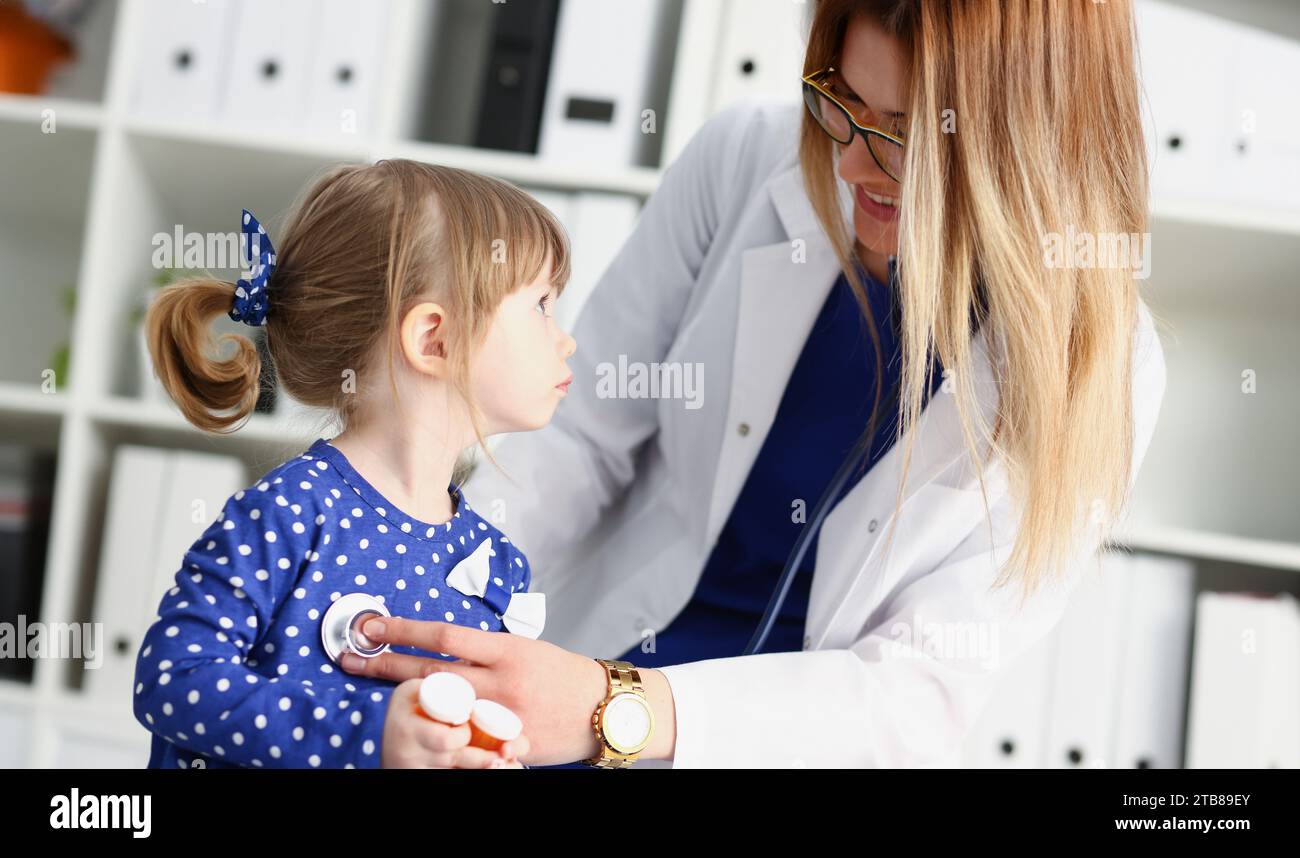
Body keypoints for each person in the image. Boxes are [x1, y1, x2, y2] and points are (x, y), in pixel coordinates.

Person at [338, 0, 1167, 768]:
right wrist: (423, 600)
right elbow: (580, 439)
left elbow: (914, 693)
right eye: (842, 100)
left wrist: (613, 706)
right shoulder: (743, 160)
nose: (849, 162)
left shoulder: (1102, 371)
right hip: (567, 674)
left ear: (1027, 144)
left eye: (904, 135)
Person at [131, 160, 578, 768]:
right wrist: (369, 736)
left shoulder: (498, 569)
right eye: (542, 304)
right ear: (434, 340)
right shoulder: (291, 513)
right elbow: (171, 680)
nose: (565, 338)